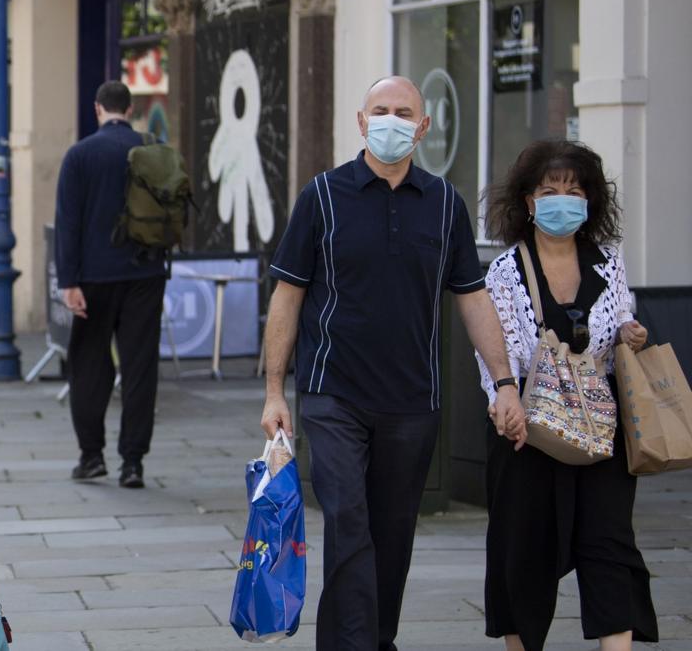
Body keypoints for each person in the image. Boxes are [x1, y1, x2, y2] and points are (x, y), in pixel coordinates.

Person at [260, 76, 526, 651]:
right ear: (361, 122)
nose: (391, 121)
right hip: (335, 395)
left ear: (423, 127)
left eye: (403, 112)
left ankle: (373, 640)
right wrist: (275, 392)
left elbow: (473, 296)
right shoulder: (322, 197)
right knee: (349, 524)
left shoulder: (445, 203)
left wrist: (504, 381)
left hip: (413, 402)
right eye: (379, 110)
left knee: (392, 536)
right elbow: (287, 295)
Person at [476, 140, 658, 651]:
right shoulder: (506, 270)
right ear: (528, 201)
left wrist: (630, 332)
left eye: (574, 191)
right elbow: (497, 350)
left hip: (601, 429)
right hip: (526, 430)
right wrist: (503, 398)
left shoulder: (608, 262)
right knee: (524, 550)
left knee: (609, 545)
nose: (563, 200)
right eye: (551, 190)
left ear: (591, 201)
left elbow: (619, 319)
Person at [54, 80, 167, 489]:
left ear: (98, 108)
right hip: (147, 273)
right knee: (139, 367)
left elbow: (68, 223)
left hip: (94, 277)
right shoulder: (153, 148)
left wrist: (68, 281)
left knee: (89, 366)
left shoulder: (80, 155)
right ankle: (133, 462)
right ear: (130, 108)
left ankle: (91, 456)